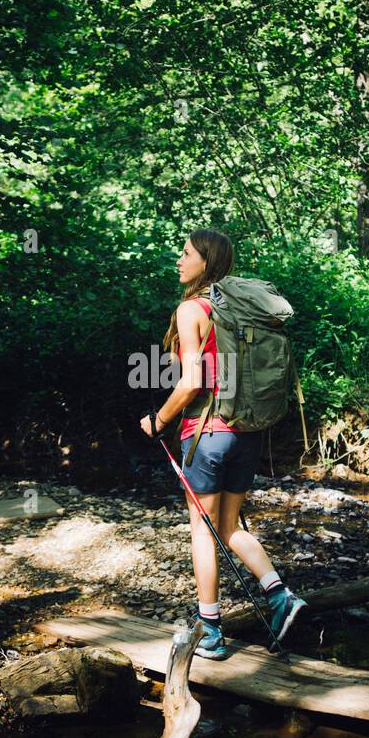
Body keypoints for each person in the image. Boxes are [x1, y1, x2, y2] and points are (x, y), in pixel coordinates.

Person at [139, 229, 306, 659]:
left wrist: (159, 420)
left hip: (207, 435)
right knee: (228, 526)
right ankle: (279, 595)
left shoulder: (191, 309)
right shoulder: (240, 310)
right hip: (245, 433)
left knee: (203, 530)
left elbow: (192, 381)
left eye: (186, 253)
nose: (179, 260)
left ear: (206, 262)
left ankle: (210, 632)